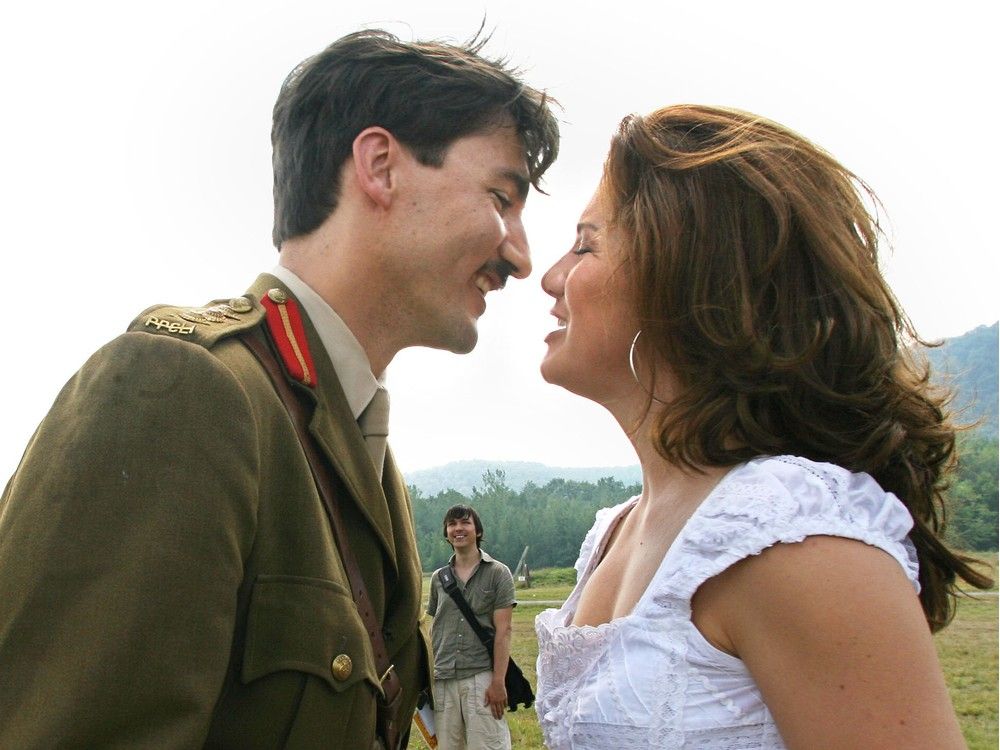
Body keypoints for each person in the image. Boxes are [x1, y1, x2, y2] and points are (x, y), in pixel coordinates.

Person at [0, 30, 558, 749]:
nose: (519, 252)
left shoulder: (350, 437)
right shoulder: (181, 391)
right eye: (501, 198)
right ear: (381, 167)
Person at [533, 104, 990, 749]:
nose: (551, 277)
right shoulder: (616, 531)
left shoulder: (789, 535)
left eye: (586, 244)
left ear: (684, 277)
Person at [427, 504, 516, 750]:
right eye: (452, 524)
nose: (458, 529)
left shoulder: (498, 573)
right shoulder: (438, 578)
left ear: (477, 530)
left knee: (488, 745)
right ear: (446, 533)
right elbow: (434, 628)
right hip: (443, 678)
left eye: (465, 523)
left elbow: (504, 632)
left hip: (481, 677)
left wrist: (498, 681)